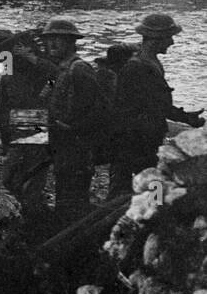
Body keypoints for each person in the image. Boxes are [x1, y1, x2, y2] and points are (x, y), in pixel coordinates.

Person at [111, 13, 204, 197]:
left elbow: (157, 103)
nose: (172, 42)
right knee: (147, 182)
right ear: (155, 38)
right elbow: (157, 106)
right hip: (135, 139)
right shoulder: (138, 67)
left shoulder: (148, 62)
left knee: (140, 182)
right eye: (169, 37)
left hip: (142, 136)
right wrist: (187, 119)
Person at [0, 29, 55, 234]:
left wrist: (33, 61)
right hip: (16, 130)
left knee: (31, 178)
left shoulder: (35, 65)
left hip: (35, 125)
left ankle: (37, 223)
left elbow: (56, 77)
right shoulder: (9, 71)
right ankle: (38, 216)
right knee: (12, 179)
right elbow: (0, 103)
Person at [40, 18, 102, 225]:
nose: (52, 44)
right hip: (62, 144)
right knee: (65, 196)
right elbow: (45, 99)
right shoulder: (60, 70)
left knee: (74, 200)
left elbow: (97, 109)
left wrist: (74, 128)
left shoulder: (79, 69)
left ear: (72, 42)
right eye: (49, 40)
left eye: (59, 39)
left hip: (76, 146)